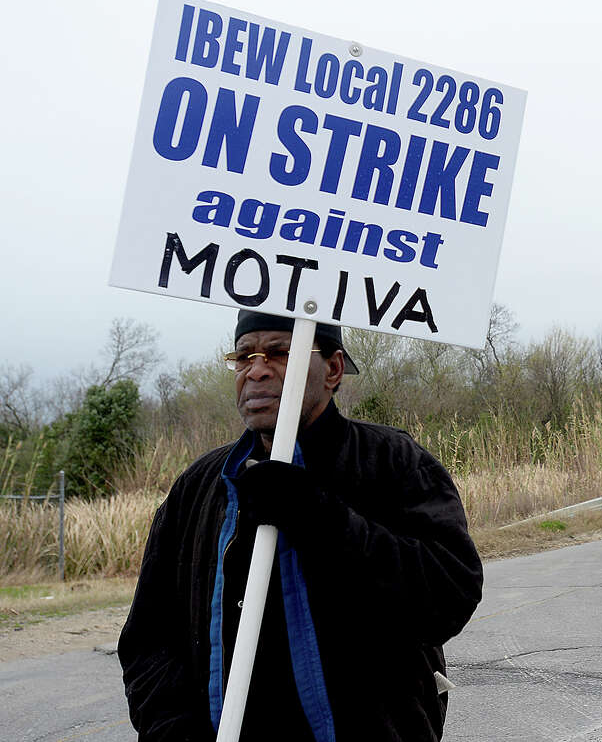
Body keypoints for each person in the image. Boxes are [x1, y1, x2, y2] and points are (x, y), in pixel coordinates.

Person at [118, 310, 484, 742]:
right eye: (244, 357)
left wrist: (319, 517)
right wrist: (173, 730)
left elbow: (449, 596)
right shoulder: (200, 486)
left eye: (280, 353)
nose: (256, 371)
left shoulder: (392, 462)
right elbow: (148, 637)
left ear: (333, 369)